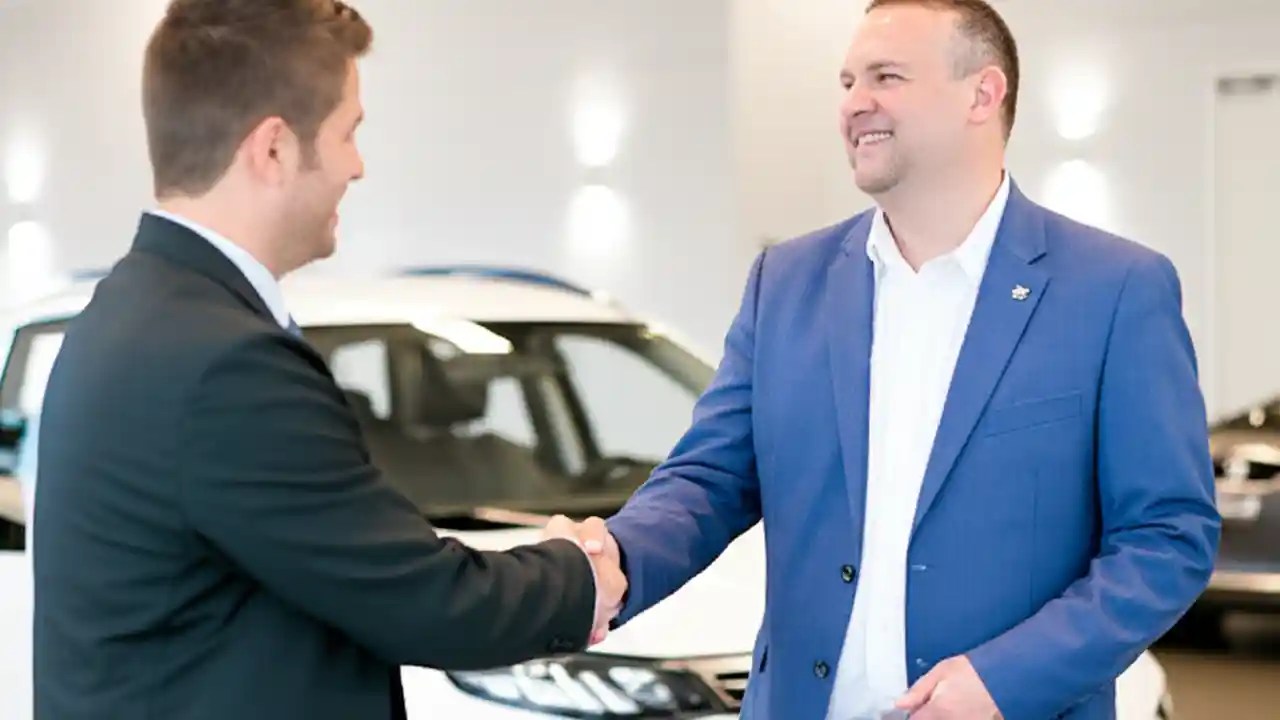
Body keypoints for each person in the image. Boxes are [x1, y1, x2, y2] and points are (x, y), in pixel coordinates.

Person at [560, 0, 1220, 718]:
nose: (854, 103)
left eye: (887, 76)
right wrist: (620, 559)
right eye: (846, 82)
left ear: (983, 94)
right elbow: (711, 475)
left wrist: (1007, 680)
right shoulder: (785, 282)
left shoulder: (1115, 290)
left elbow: (1166, 538)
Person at [31, 2, 623, 719]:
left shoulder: (127, 314)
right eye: (349, 132)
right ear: (273, 149)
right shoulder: (223, 365)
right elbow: (429, 601)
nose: (358, 165)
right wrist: (577, 576)